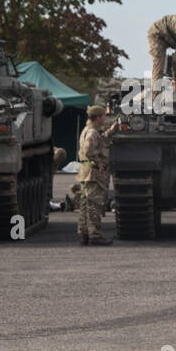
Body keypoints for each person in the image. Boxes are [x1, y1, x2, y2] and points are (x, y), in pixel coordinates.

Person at [75, 105, 116, 246]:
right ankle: (95, 236)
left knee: (85, 204)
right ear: (98, 118)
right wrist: (97, 161)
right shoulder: (92, 132)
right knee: (94, 205)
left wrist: (110, 132)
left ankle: (83, 234)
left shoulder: (89, 130)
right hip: (93, 172)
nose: (105, 118)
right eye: (103, 116)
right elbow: (88, 150)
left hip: (86, 172)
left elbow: (99, 143)